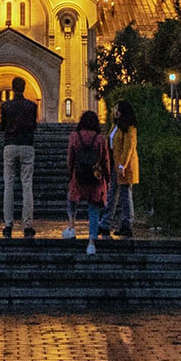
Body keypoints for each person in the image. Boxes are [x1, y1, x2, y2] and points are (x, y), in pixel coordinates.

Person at [67, 109, 111, 255]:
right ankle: (91, 242)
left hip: (79, 176)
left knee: (72, 200)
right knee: (93, 209)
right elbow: (105, 160)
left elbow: (70, 157)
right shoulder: (100, 139)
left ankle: (71, 227)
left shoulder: (75, 136)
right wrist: (108, 177)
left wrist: (70, 172)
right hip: (95, 177)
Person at [0, 77, 37, 237]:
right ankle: (27, 225)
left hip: (10, 144)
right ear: (24, 87)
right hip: (27, 144)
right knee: (27, 185)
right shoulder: (32, 106)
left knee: (8, 184)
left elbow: (2, 126)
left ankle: (8, 225)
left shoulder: (6, 106)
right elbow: (34, 126)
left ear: (13, 88)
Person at [108, 102, 140, 238]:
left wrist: (123, 165)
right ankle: (105, 223)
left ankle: (127, 224)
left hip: (124, 167)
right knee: (111, 194)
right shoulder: (115, 126)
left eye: (116, 108)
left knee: (125, 196)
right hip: (114, 164)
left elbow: (128, 147)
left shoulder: (129, 128)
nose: (113, 110)